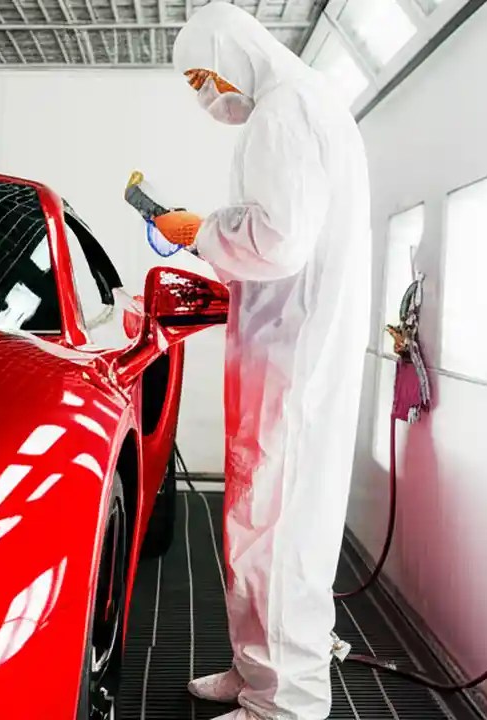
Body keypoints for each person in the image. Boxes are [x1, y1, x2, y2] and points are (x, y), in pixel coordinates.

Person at [153, 3, 372, 719]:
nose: (204, 96)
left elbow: (277, 242)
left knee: (276, 541)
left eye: (202, 77)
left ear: (232, 52)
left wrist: (196, 230)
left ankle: (286, 705)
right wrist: (211, 248)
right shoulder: (305, 105)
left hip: (293, 371)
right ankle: (259, 673)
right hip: (292, 356)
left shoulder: (286, 112)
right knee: (266, 533)